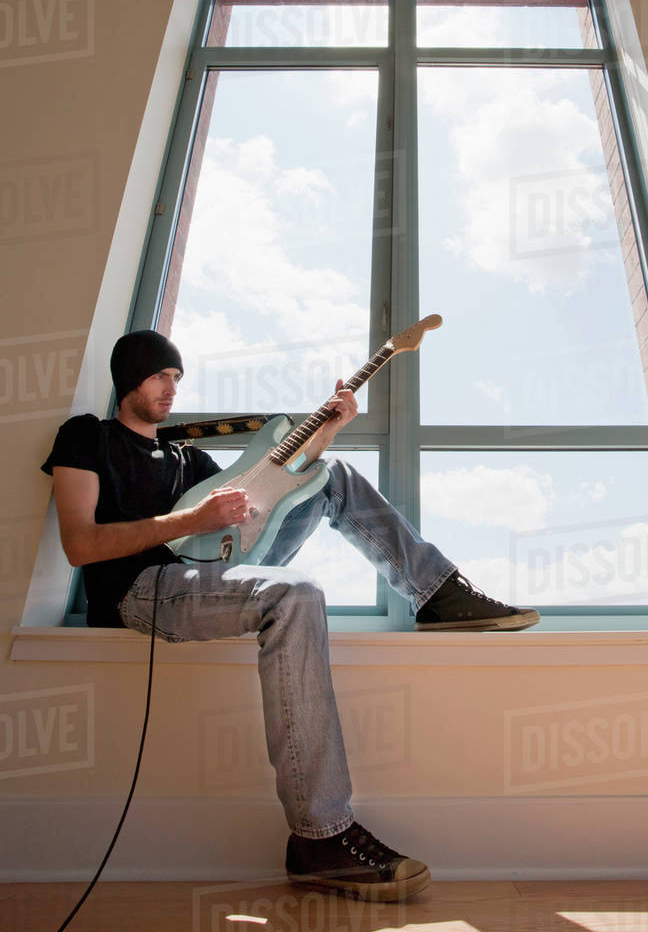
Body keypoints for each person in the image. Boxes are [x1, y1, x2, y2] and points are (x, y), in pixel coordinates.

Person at [42, 330, 540, 902]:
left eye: (177, 378)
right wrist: (188, 523)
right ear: (128, 376)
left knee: (333, 476)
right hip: (140, 587)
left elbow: (268, 495)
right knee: (295, 593)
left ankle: (436, 594)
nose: (171, 389)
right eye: (160, 376)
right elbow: (80, 545)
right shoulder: (87, 437)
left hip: (214, 571)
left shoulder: (192, 458)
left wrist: (327, 429)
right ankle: (320, 837)